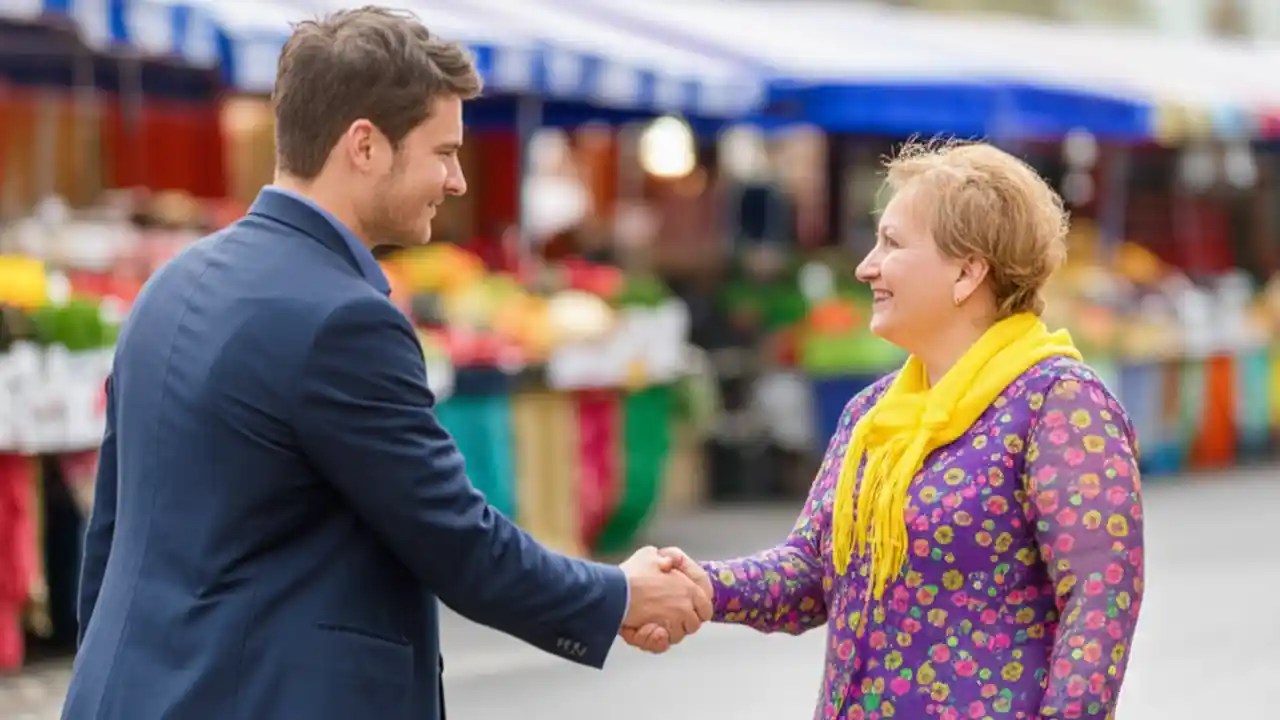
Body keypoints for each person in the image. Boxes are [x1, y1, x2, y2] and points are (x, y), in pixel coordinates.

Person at [63, 8, 709, 720]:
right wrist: (618, 595)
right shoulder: (346, 320)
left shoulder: (171, 284)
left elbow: (112, 533)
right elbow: (458, 542)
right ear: (364, 146)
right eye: (443, 152)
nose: (458, 181)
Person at [626, 140, 1145, 720]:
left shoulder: (1060, 405)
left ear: (969, 270)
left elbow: (1099, 604)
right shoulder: (873, 414)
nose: (865, 266)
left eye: (892, 244)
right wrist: (701, 586)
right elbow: (810, 573)